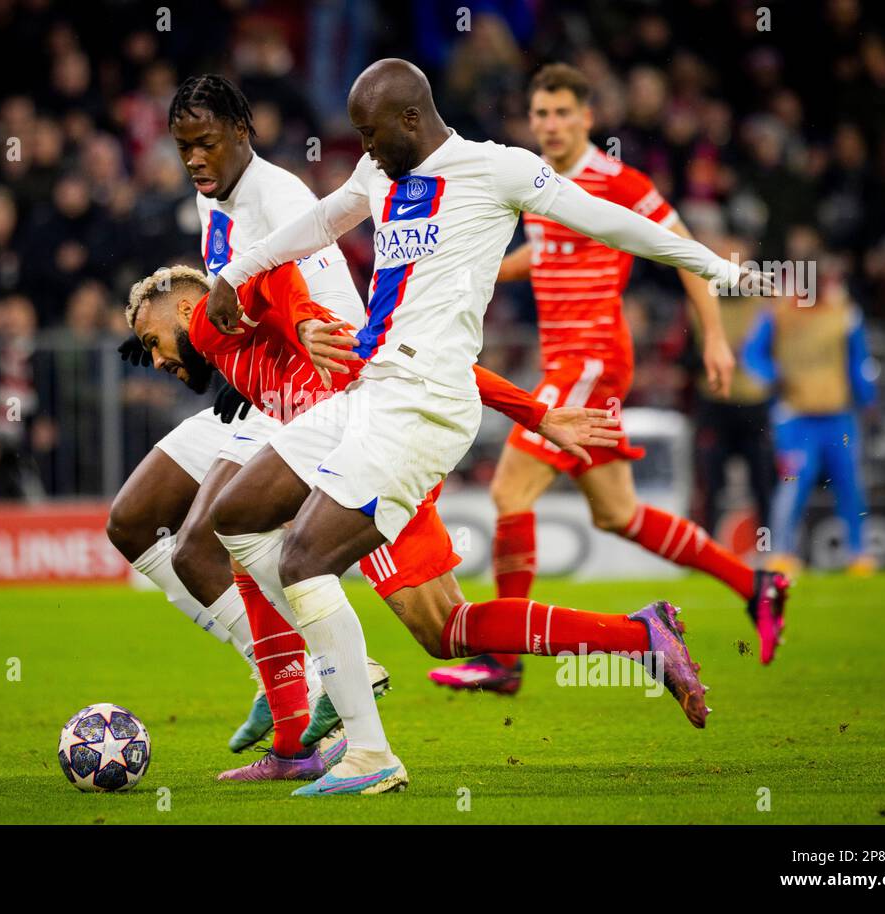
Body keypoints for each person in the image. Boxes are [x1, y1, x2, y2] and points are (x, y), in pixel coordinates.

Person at [202, 58, 753, 795]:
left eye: (370, 132)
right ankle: (348, 659)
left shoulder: (497, 170)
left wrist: (707, 264)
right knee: (237, 517)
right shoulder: (377, 172)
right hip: (367, 394)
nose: (361, 148)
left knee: (306, 563)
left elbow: (612, 221)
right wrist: (235, 276)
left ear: (409, 120)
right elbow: (321, 221)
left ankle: (369, 751)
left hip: (424, 405)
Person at [127, 261, 709, 784]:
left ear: (188, 310)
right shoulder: (244, 361)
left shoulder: (295, 331)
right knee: (445, 629)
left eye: (153, 341)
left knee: (258, 536)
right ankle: (640, 637)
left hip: (376, 465)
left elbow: (429, 368)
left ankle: (334, 718)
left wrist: (536, 415)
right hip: (360, 467)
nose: (154, 360)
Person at [430, 63, 790, 690]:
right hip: (568, 364)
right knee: (618, 513)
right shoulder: (533, 180)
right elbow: (542, 252)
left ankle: (504, 659)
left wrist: (715, 342)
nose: (551, 124)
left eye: (563, 112)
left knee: (510, 492)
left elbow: (685, 253)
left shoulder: (618, 181)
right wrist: (477, 276)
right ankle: (757, 584)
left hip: (591, 360)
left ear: (587, 118)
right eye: (541, 113)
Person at [104, 75, 376, 754]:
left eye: (205, 143)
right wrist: (200, 352)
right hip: (255, 392)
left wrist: (279, 354)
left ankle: (329, 678)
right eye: (183, 147)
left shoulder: (279, 197)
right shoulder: (210, 203)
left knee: (208, 539)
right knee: (132, 522)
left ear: (241, 133)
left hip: (310, 391)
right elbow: (237, 298)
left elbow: (315, 309)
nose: (193, 158)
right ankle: (279, 672)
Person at [743, 266, 878, 577]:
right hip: (795, 416)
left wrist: (866, 397)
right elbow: (753, 354)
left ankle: (859, 554)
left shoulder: (844, 313)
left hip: (837, 414)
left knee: (850, 484)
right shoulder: (778, 312)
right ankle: (782, 553)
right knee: (793, 483)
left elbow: (858, 359)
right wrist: (773, 377)